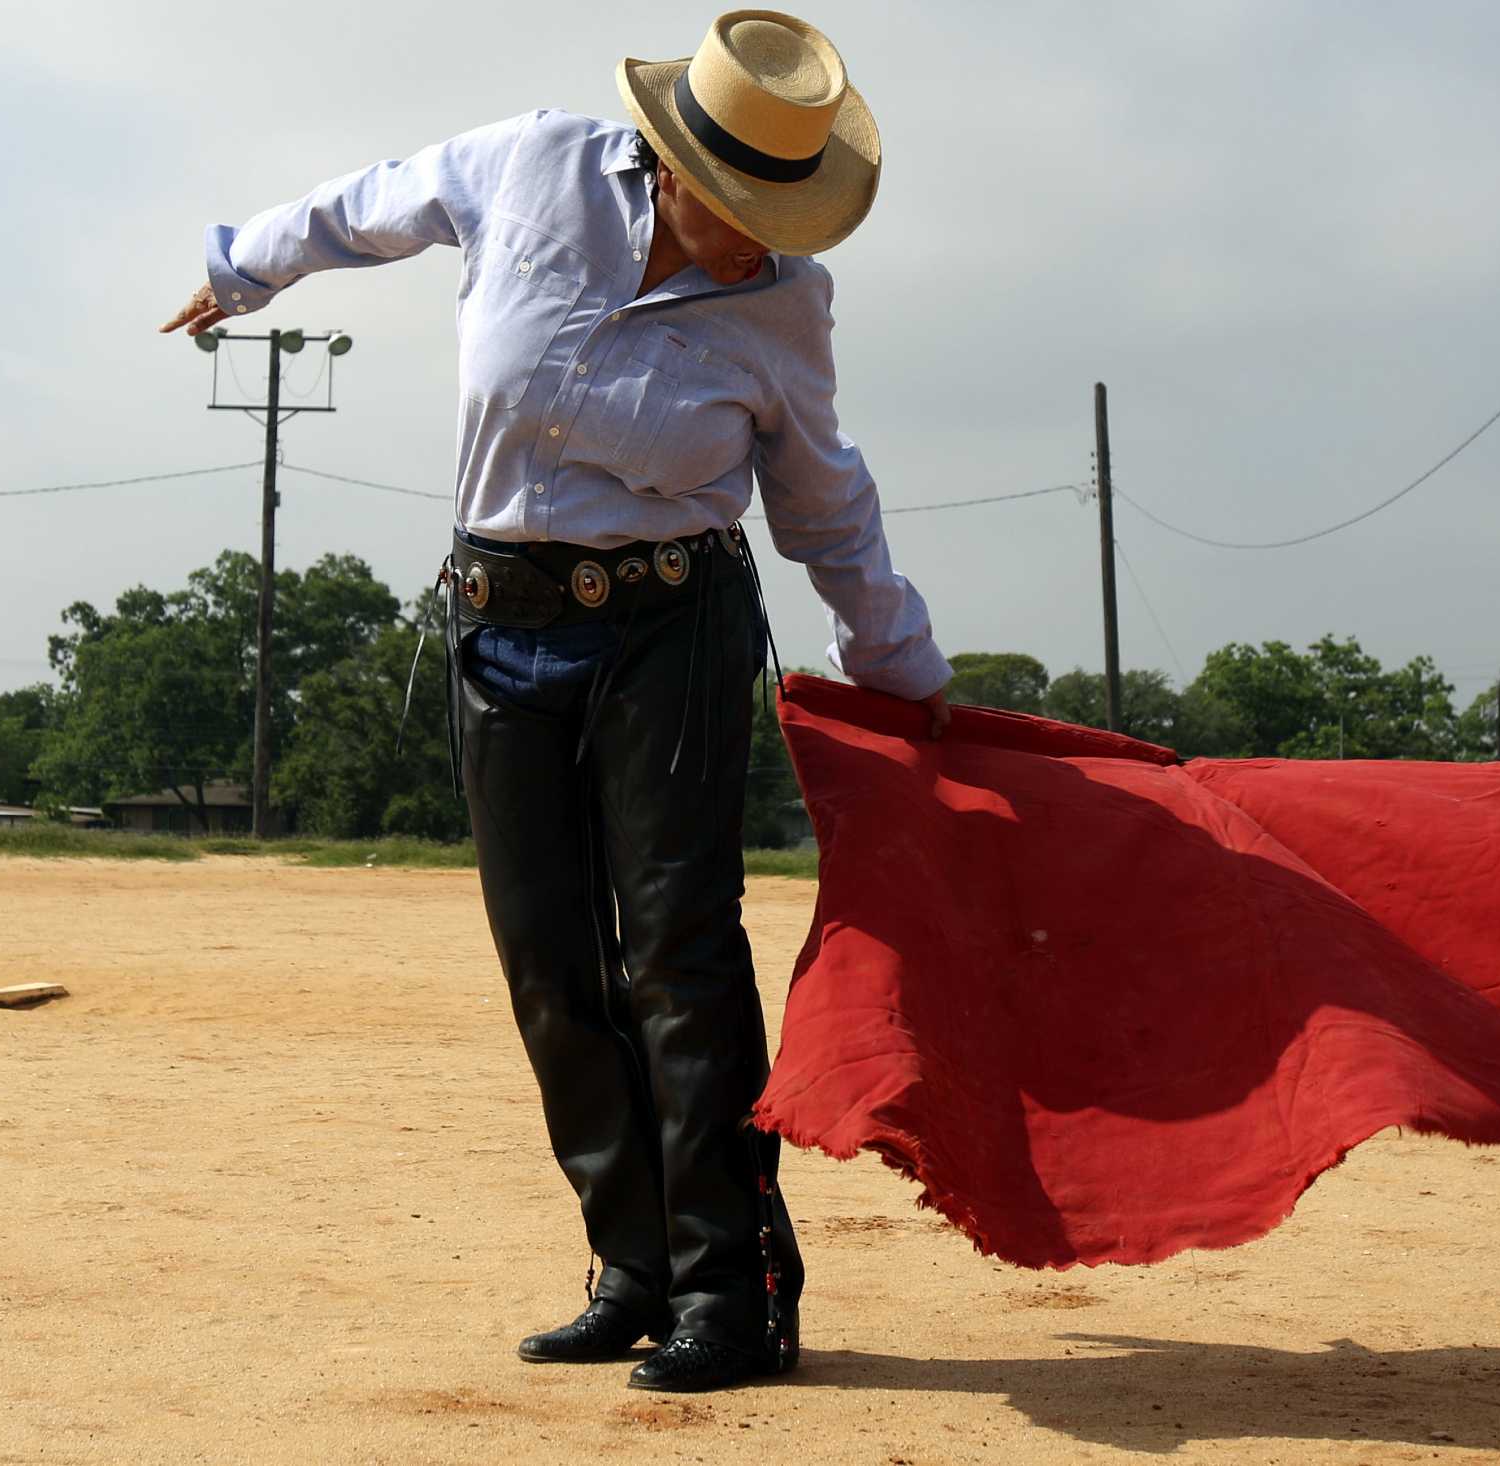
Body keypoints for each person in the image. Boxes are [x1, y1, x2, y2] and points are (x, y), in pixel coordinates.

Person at [160, 10, 953, 1394]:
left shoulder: (784, 303)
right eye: (747, 209)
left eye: (789, 216)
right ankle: (630, 1266)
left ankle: (731, 1285)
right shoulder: (528, 168)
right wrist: (244, 270)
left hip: (673, 630)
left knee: (679, 954)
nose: (767, 241)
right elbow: (365, 208)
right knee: (550, 962)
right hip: (499, 626)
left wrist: (908, 679)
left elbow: (827, 502)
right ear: (674, 162)